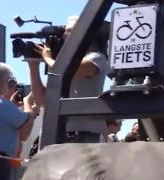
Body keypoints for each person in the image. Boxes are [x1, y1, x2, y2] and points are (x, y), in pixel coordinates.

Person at [33, 15, 108, 143]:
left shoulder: (97, 58)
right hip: (62, 131)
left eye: (70, 31)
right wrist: (33, 65)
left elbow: (70, 72)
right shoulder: (59, 65)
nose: (65, 36)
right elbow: (40, 99)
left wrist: (48, 59)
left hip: (86, 133)